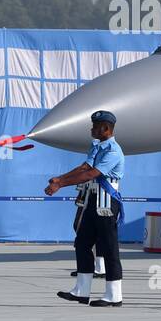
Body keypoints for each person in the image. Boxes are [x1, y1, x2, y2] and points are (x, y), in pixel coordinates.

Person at [51, 110, 125, 307]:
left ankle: (114, 295)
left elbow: (91, 174)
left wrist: (60, 184)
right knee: (82, 243)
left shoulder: (113, 151)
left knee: (109, 249)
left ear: (106, 128)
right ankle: (81, 291)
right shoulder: (98, 147)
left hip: (107, 203)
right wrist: (60, 179)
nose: (91, 129)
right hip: (92, 201)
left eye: (95, 126)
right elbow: (84, 167)